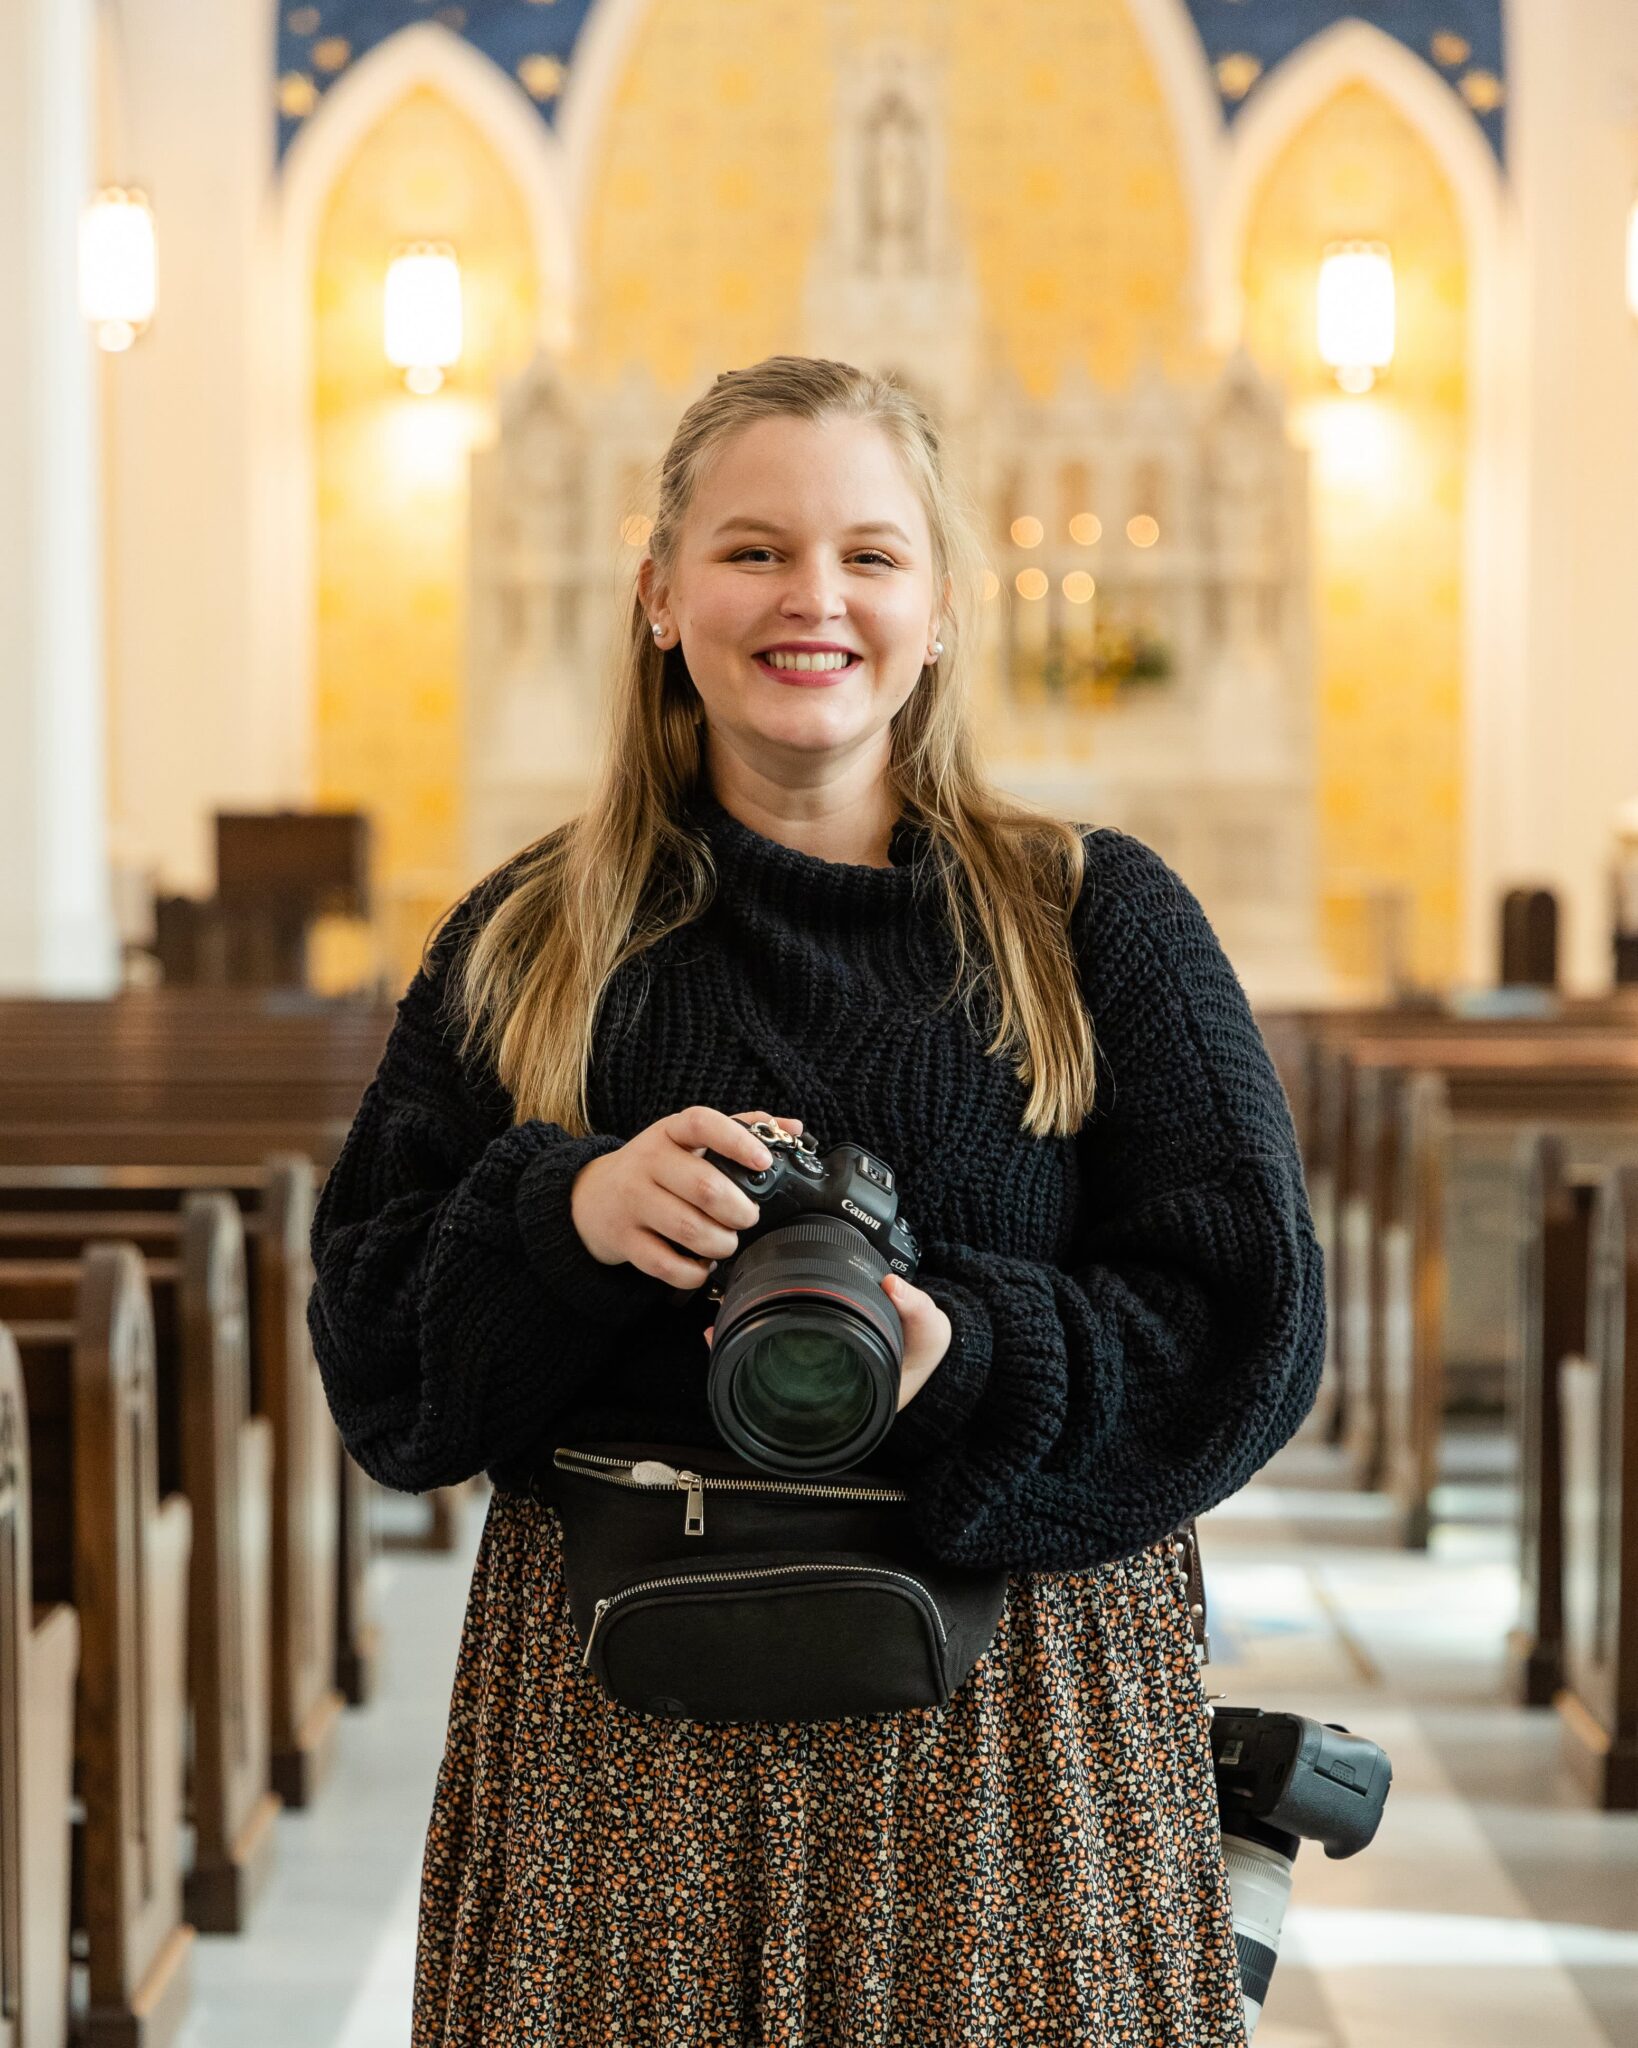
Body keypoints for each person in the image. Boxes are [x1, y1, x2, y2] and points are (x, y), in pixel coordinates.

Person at [307, 353, 1324, 2045]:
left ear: (938, 609)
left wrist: (967, 1352)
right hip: (615, 1765)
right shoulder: (530, 943)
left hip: (1012, 1758)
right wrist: (563, 1219)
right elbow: (377, 1363)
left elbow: (1250, 1325)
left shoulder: (1097, 921)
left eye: (869, 554)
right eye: (753, 549)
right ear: (657, 593)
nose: (812, 600)